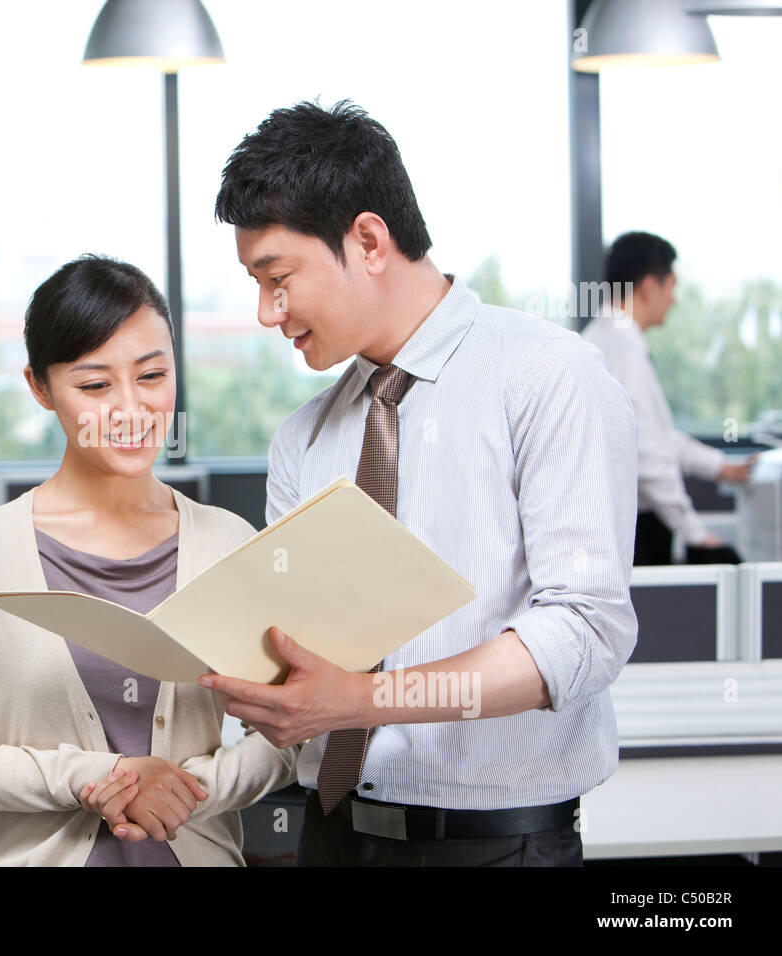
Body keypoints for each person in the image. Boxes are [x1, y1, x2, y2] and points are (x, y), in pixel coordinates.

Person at [196, 100, 639, 866]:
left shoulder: (545, 377)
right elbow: (307, 654)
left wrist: (360, 700)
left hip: (494, 848)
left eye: (278, 278)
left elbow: (585, 633)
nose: (269, 312)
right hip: (332, 836)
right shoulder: (303, 437)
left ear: (368, 239)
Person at [0, 255, 297, 866]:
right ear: (39, 387)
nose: (130, 409)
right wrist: (104, 777)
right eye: (94, 385)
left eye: (151, 375)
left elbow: (279, 739)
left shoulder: (227, 543)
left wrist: (184, 793)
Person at [581, 231, 754, 566]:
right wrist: (696, 533)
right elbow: (647, 451)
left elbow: (654, 436)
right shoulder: (620, 351)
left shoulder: (610, 342)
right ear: (650, 287)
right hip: (632, 531)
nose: (674, 300)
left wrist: (719, 467)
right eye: (672, 287)